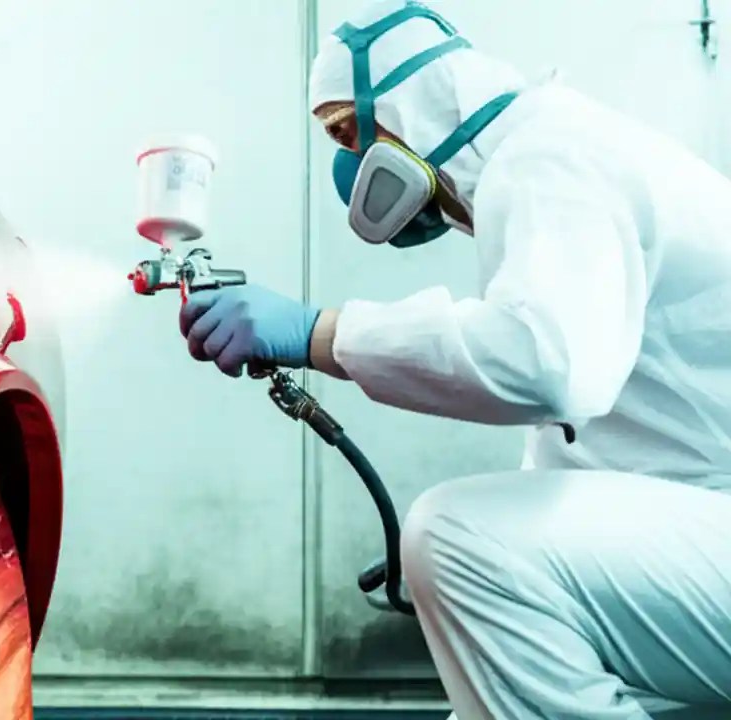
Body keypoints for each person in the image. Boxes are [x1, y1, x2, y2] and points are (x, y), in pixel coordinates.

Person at [179, 1, 731, 717]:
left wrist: (322, 333)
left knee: (452, 535)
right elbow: (587, 454)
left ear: (410, 106)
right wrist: (471, 588)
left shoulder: (548, 158)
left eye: (348, 133)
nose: (349, 167)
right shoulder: (551, 156)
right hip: (703, 522)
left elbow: (548, 365)